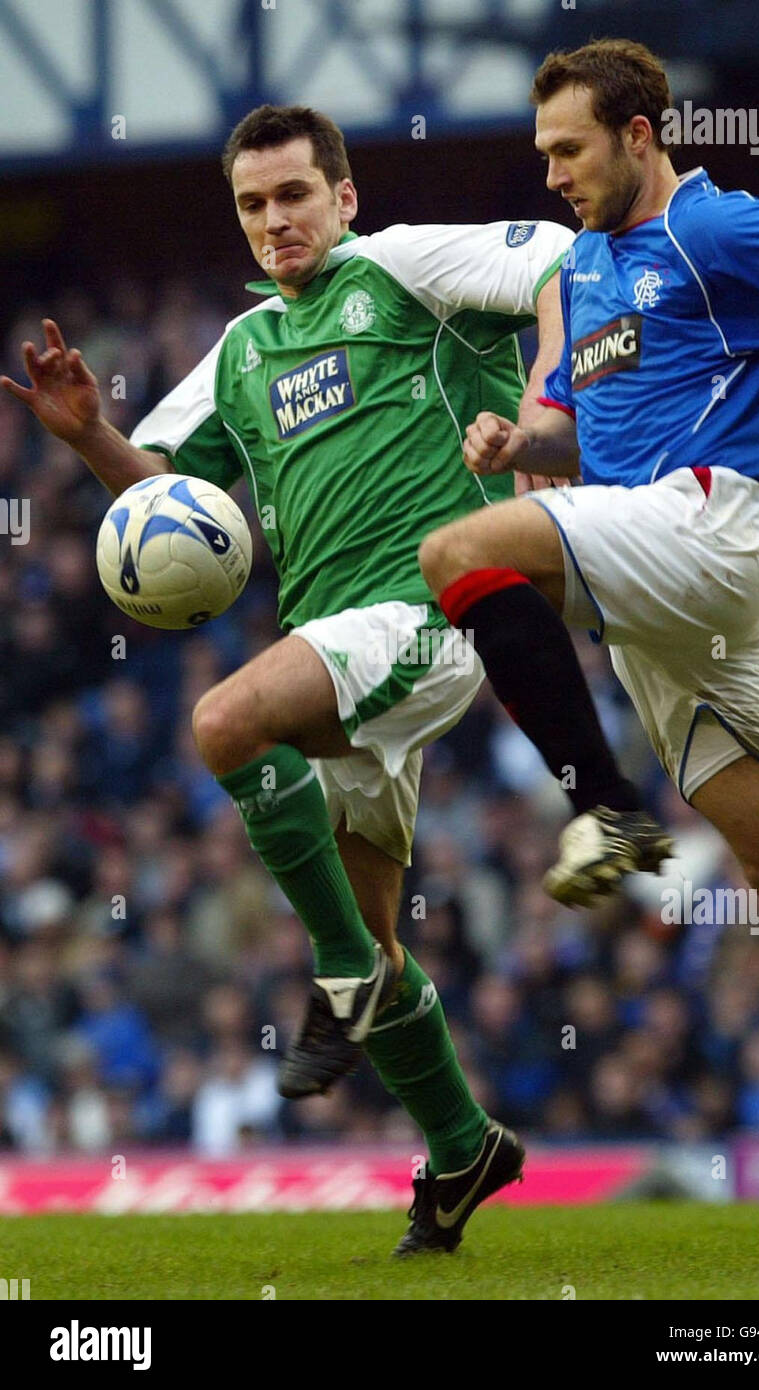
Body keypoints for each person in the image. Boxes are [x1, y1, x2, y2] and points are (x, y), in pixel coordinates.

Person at [3, 104, 663, 1254]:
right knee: (381, 941)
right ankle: (464, 1148)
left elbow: (566, 256)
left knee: (221, 724)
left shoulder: (401, 266)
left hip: (431, 611)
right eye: (253, 204)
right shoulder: (243, 352)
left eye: (294, 195)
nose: (275, 221)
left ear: (342, 197)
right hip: (341, 656)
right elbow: (169, 497)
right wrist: (87, 439)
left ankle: (340, 973)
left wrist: (546, 403)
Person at [419, 37, 759, 1028]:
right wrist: (517, 437)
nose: (553, 176)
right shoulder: (587, 270)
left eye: (570, 152)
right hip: (657, 591)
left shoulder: (717, 231)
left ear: (638, 135)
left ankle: (602, 809)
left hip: (709, 524)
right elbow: (584, 436)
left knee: (453, 552)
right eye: (544, 155)